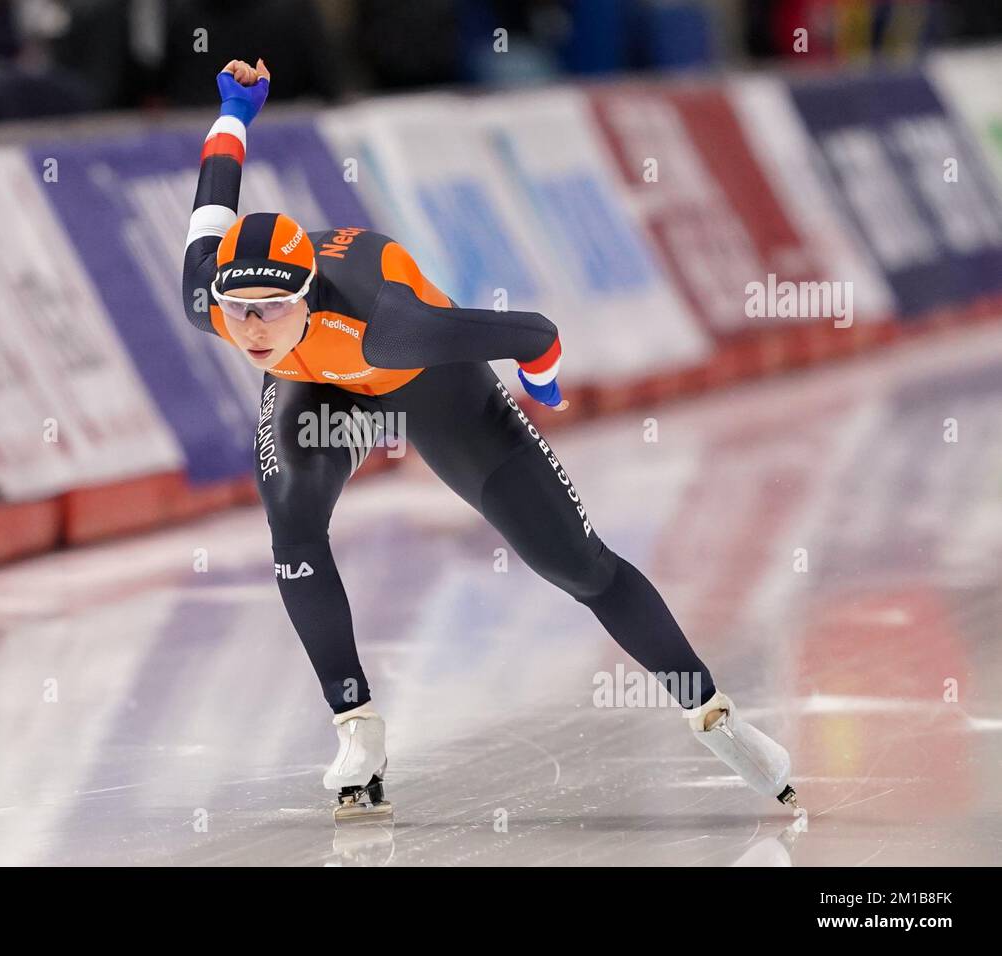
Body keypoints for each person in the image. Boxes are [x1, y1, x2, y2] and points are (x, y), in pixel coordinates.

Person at [182, 58, 797, 821]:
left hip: (427, 387)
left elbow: (535, 332)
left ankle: (714, 715)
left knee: (578, 565)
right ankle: (356, 727)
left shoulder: (396, 329)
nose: (250, 328)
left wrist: (542, 383)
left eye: (270, 309)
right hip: (319, 387)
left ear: (308, 297)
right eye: (239, 309)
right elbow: (213, 199)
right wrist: (237, 111)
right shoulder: (210, 297)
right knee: (292, 523)